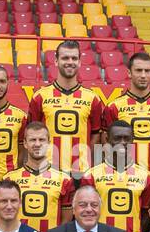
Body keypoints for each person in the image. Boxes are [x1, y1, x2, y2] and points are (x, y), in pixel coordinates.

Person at [28, 40, 104, 177]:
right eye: (65, 58)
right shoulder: (40, 97)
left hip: (80, 173)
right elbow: (32, 135)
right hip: (48, 172)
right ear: (56, 61)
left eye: (74, 58)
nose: (70, 62)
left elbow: (95, 135)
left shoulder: (92, 99)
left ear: (80, 62)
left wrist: (85, 159)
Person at [104, 52, 150, 176]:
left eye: (147, 71)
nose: (143, 75)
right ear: (129, 73)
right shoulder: (114, 106)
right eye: (138, 70)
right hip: (124, 174)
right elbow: (107, 145)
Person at [80, 120, 150, 232]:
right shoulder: (90, 175)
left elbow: (146, 214)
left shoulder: (147, 177)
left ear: (133, 140)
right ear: (107, 139)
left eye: (127, 138)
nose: (122, 143)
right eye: (117, 138)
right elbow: (85, 214)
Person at [3, 122, 74, 232]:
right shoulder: (9, 178)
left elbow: (66, 219)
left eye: (41, 140)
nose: (37, 144)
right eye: (32, 140)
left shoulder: (64, 179)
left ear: (49, 143)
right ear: (25, 143)